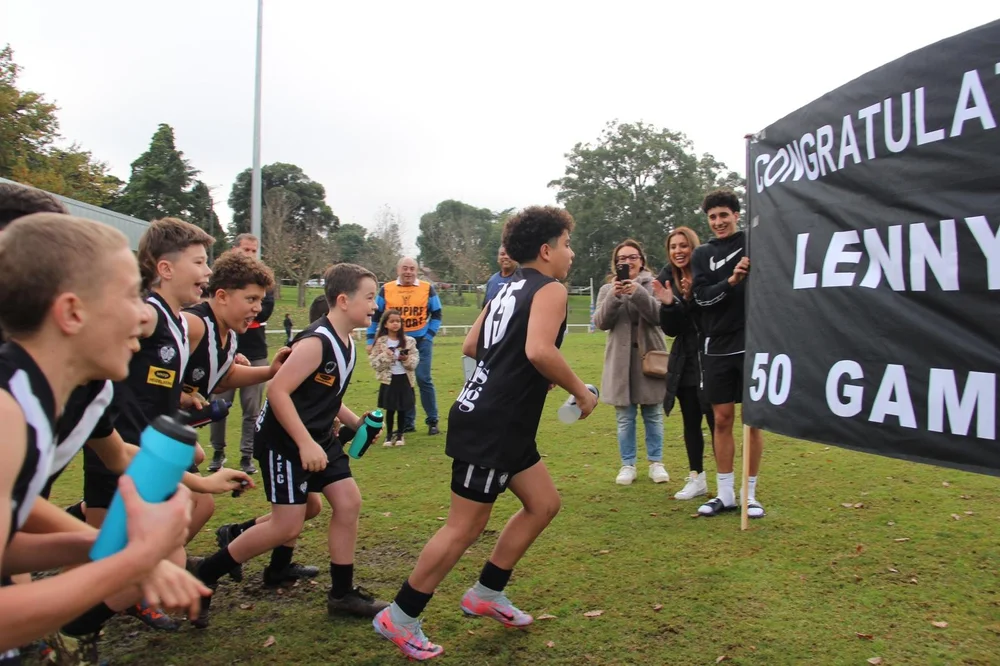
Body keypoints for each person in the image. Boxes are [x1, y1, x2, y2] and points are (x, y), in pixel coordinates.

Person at [374, 205, 598, 661]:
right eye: (567, 244)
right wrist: (579, 389)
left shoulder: (506, 287)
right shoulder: (551, 289)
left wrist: (525, 372)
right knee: (465, 526)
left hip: (498, 416)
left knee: (543, 504)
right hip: (494, 421)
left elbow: (474, 345)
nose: (570, 253)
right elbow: (537, 349)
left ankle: (487, 593)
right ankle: (399, 616)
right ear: (546, 249)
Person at [0, 213, 208, 656]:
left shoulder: (41, 397)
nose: (141, 314)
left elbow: (7, 546)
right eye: (130, 295)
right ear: (73, 312)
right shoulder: (6, 414)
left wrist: (114, 549)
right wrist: (130, 562)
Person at [193, 263, 389, 625]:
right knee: (287, 525)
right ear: (344, 300)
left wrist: (355, 423)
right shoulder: (316, 341)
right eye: (369, 297)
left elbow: (327, 397)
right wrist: (304, 443)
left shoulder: (347, 342)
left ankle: (342, 594)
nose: (376, 304)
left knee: (347, 502)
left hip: (317, 439)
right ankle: (204, 575)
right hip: (284, 442)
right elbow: (277, 389)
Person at [691, 189, 765, 518]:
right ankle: (725, 494)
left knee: (753, 422)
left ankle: (750, 496)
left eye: (724, 215)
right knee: (721, 420)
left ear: (736, 215)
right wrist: (732, 280)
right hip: (716, 347)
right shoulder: (702, 254)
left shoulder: (755, 242)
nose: (719, 222)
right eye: (712, 217)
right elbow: (702, 298)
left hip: (753, 341)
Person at [593, 239, 669, 486]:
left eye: (632, 257)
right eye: (622, 259)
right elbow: (601, 322)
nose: (627, 262)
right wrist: (614, 297)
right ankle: (628, 464)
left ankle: (656, 463)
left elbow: (659, 317)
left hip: (650, 358)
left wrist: (637, 292)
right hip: (620, 362)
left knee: (653, 414)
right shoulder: (607, 290)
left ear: (642, 260)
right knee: (625, 417)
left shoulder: (653, 285)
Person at [653, 227, 715, 500]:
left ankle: (727, 480)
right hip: (685, 359)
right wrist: (669, 305)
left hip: (712, 355)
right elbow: (671, 329)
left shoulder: (708, 272)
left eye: (683, 245)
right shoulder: (667, 279)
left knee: (718, 422)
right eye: (673, 247)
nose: (678, 251)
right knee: (691, 421)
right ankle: (696, 477)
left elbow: (713, 316)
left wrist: (692, 298)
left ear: (693, 247)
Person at [209, 233, 275, 475]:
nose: (250, 255)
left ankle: (247, 456)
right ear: (235, 250)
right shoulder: (220, 287)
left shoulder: (263, 281)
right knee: (218, 406)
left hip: (255, 352)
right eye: (246, 250)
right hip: (224, 352)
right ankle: (217, 451)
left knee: (252, 409)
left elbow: (265, 312)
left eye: (254, 251)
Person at [366, 257, 443, 435]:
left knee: (423, 378)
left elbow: (437, 314)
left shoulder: (427, 288)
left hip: (420, 341)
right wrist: (371, 340)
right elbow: (375, 316)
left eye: (412, 269)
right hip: (395, 342)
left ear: (416, 271)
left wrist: (429, 336)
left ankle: (432, 420)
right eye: (405, 268)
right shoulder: (387, 289)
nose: (408, 272)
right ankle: (408, 422)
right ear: (398, 270)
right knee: (403, 382)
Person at [369, 309, 418, 447]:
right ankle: (389, 435)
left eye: (398, 321)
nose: (395, 324)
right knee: (390, 409)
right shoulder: (380, 342)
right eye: (392, 321)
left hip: (404, 379)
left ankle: (401, 434)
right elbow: (374, 363)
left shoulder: (409, 341)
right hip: (388, 380)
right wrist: (387, 356)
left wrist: (406, 359)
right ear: (385, 324)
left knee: (402, 408)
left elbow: (414, 363)